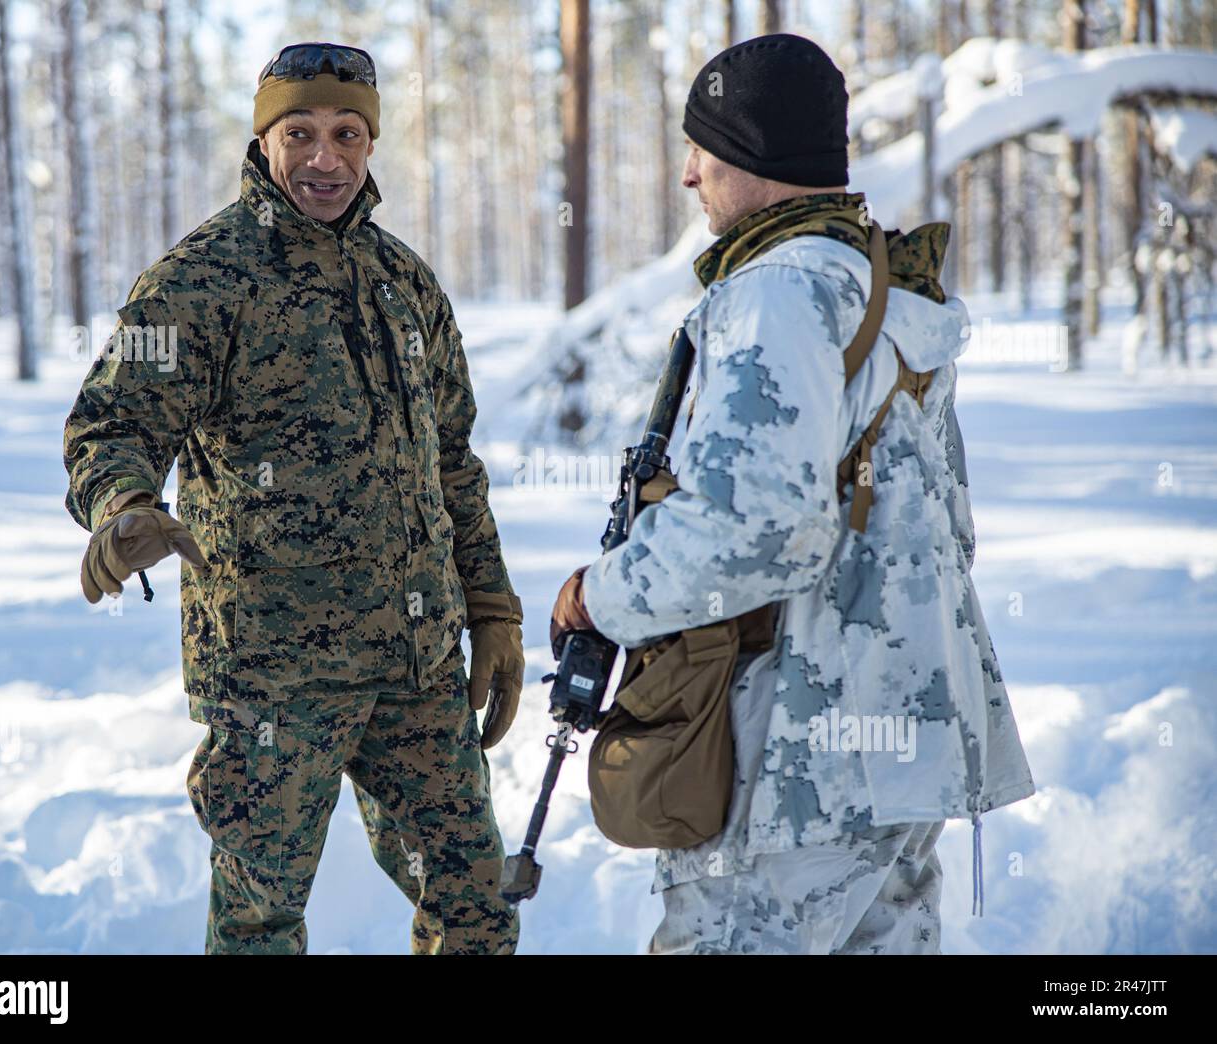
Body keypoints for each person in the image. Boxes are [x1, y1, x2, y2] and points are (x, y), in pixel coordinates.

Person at [551, 33, 1035, 954]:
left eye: (702, 148)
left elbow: (757, 528)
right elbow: (951, 528)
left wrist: (600, 595)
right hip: (906, 734)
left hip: (806, 758)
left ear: (753, 156)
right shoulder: (884, 287)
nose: (689, 176)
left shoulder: (777, 292)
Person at [64, 42, 523, 954]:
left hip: (416, 666)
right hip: (273, 677)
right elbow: (112, 422)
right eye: (300, 132)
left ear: (370, 144)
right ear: (264, 139)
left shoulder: (406, 283)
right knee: (259, 925)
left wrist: (493, 607)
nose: (325, 157)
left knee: (474, 903)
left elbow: (454, 462)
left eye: (348, 134)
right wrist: (124, 508)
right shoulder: (199, 282)